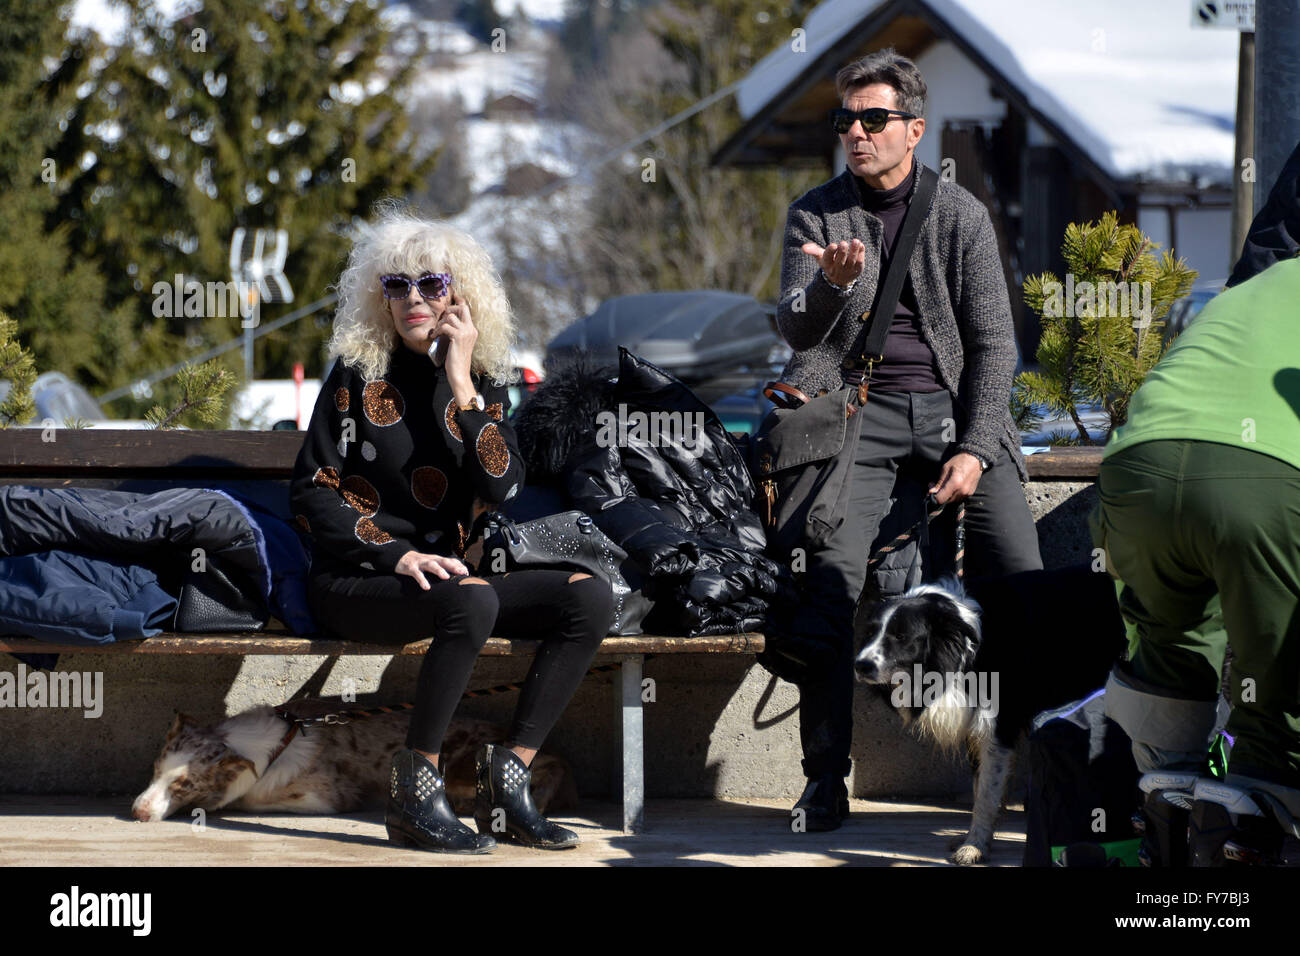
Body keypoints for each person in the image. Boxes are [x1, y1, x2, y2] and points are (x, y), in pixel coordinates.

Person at [771, 48, 1042, 831]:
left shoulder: (961, 217)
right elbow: (794, 325)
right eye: (846, 119)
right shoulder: (817, 214)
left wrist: (977, 446)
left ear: (914, 128)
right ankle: (824, 778)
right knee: (827, 585)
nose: (856, 132)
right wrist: (830, 285)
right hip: (860, 415)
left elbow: (995, 346)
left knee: (1022, 579)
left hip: (955, 413)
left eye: (874, 118)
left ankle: (1022, 765)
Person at [290, 210, 615, 853]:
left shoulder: (482, 381)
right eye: (397, 285)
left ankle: (509, 777)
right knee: (474, 598)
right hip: (358, 580)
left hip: (455, 582)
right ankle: (417, 791)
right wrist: (396, 555)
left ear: (460, 293)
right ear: (378, 296)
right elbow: (310, 492)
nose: (414, 298)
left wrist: (462, 381)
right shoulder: (358, 374)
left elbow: (506, 488)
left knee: (588, 596)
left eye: (431, 284)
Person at [1093, 147, 1300, 866]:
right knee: (1281, 686)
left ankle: (1168, 810)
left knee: (1176, 651)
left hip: (1134, 469)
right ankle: (1242, 828)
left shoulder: (1259, 288)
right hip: (1256, 480)